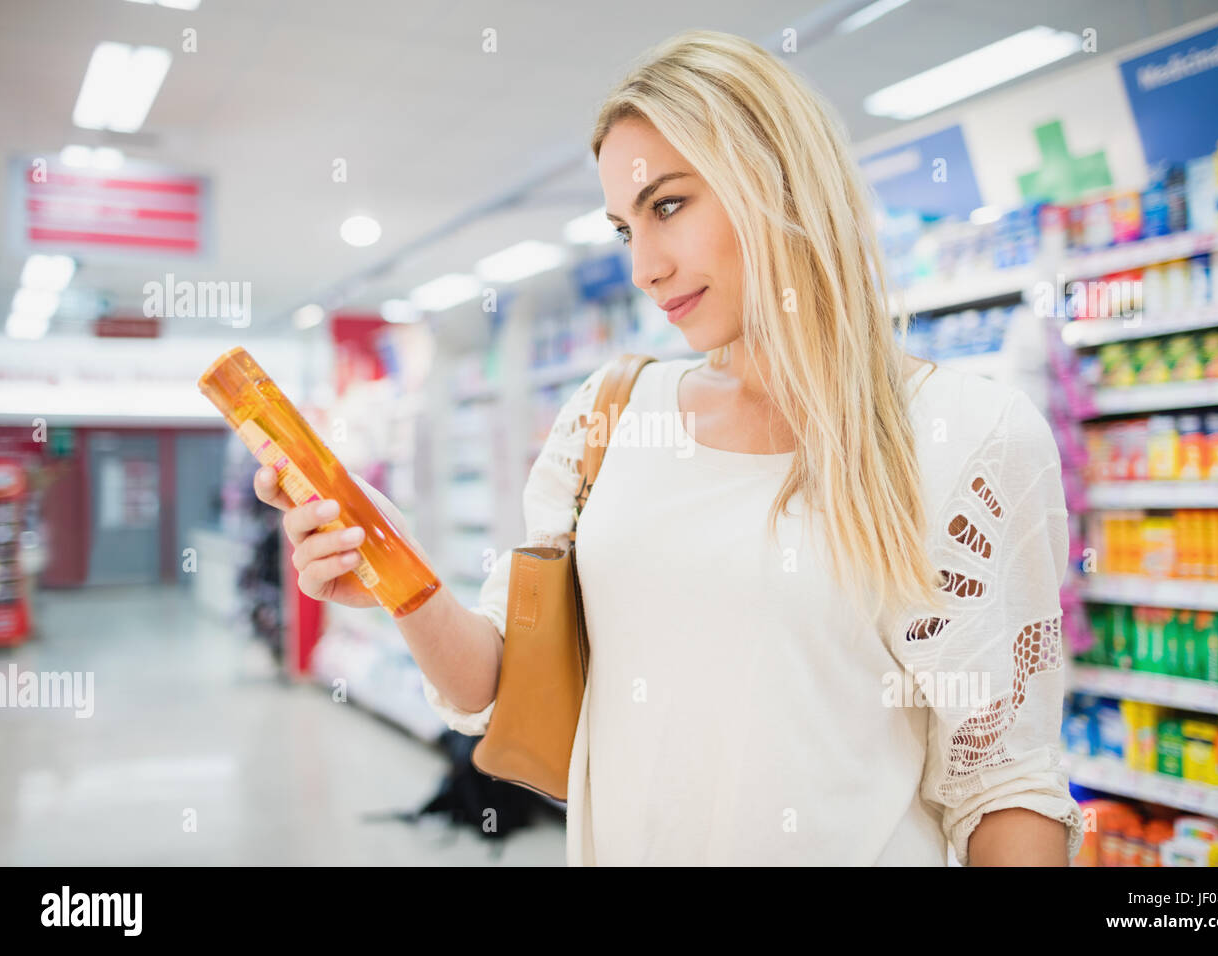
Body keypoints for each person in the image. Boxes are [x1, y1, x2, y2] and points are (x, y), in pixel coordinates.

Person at [254, 29, 1082, 866]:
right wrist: (399, 572)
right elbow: (497, 690)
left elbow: (1005, 789)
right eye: (623, 229)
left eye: (669, 205)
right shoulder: (608, 420)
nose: (644, 266)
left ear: (778, 180)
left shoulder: (965, 436)